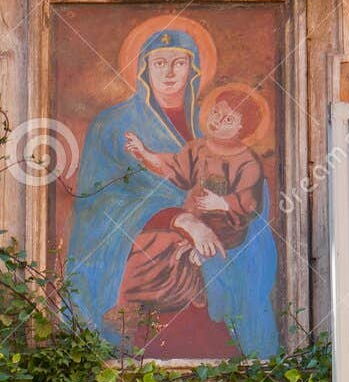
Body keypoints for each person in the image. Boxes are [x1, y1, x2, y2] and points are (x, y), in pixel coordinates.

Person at [64, 29, 278, 358]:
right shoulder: (113, 126)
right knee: (157, 254)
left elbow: (250, 194)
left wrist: (220, 211)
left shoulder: (209, 125)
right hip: (145, 253)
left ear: (193, 70)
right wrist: (182, 220)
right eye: (159, 62)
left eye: (178, 63)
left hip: (219, 245)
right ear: (143, 69)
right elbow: (100, 207)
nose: (168, 72)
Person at [110, 87, 269, 349]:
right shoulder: (197, 149)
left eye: (228, 119)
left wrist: (223, 203)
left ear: (243, 128)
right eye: (216, 113)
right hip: (190, 225)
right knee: (148, 246)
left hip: (225, 231)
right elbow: (173, 167)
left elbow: (250, 203)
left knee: (177, 260)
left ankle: (183, 295)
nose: (218, 121)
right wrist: (144, 153)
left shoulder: (247, 161)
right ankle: (128, 309)